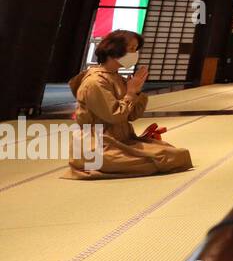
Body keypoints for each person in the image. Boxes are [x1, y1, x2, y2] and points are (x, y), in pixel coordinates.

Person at [63, 29, 193, 180]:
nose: (134, 53)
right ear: (114, 49)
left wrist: (137, 91)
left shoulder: (117, 78)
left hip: (120, 141)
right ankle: (88, 164)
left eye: (135, 49)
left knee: (174, 154)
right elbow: (115, 116)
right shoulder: (95, 82)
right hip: (96, 146)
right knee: (163, 159)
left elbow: (132, 115)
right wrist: (130, 93)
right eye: (131, 48)